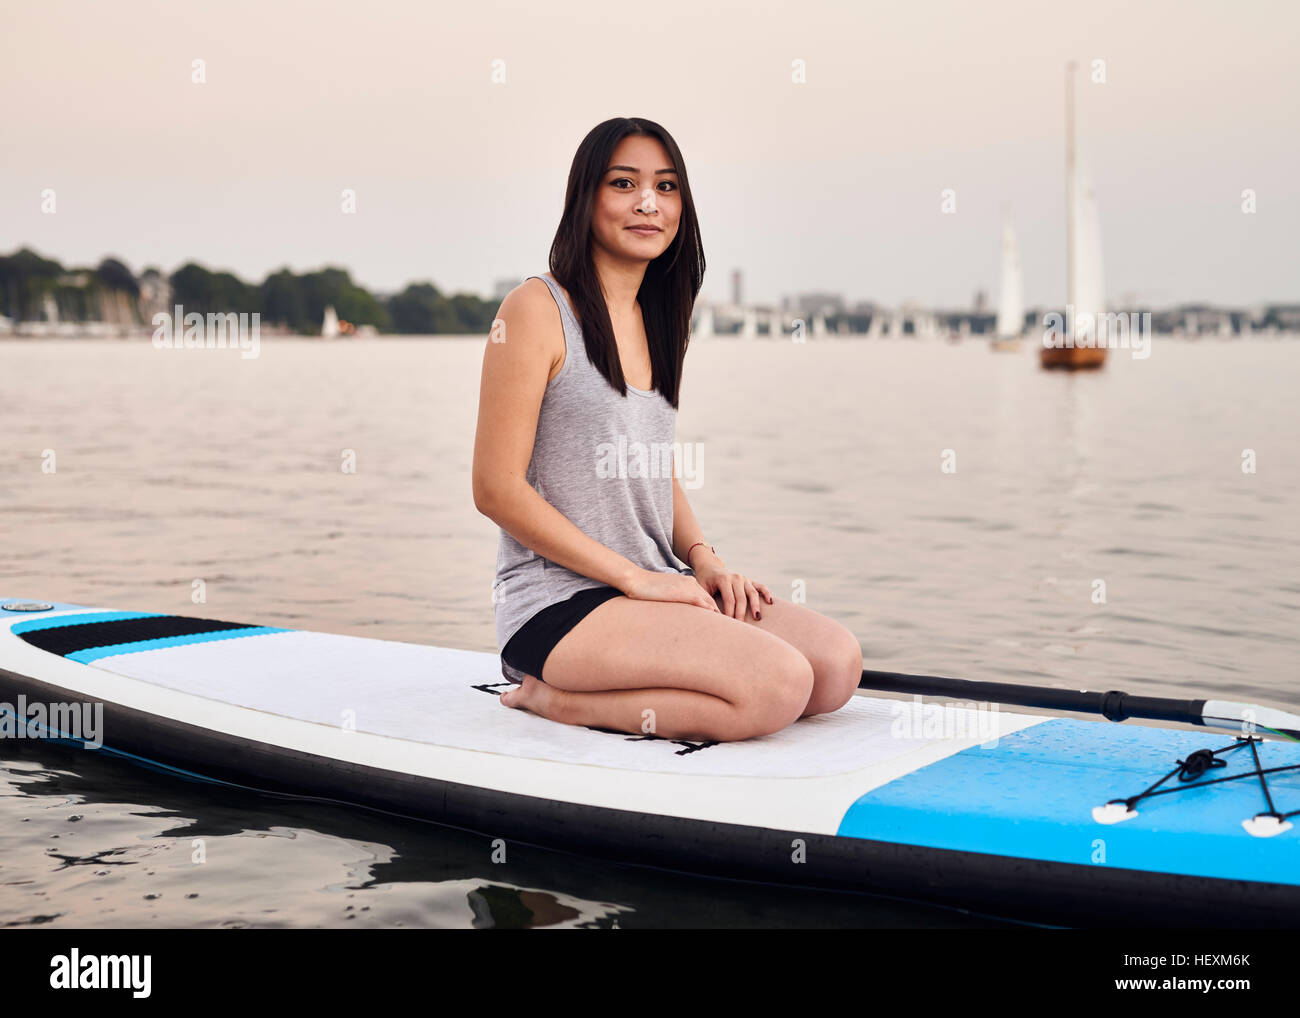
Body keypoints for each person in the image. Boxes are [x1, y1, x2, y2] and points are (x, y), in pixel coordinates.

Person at [472, 117, 861, 742]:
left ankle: (649, 645)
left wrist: (703, 561)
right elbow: (495, 488)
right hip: (560, 604)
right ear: (585, 198)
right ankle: (557, 699)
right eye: (624, 183)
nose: (649, 202)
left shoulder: (658, 321)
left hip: (655, 584)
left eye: (667, 185)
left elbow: (650, 464)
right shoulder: (534, 310)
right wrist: (633, 578)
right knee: (777, 685)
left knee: (835, 668)